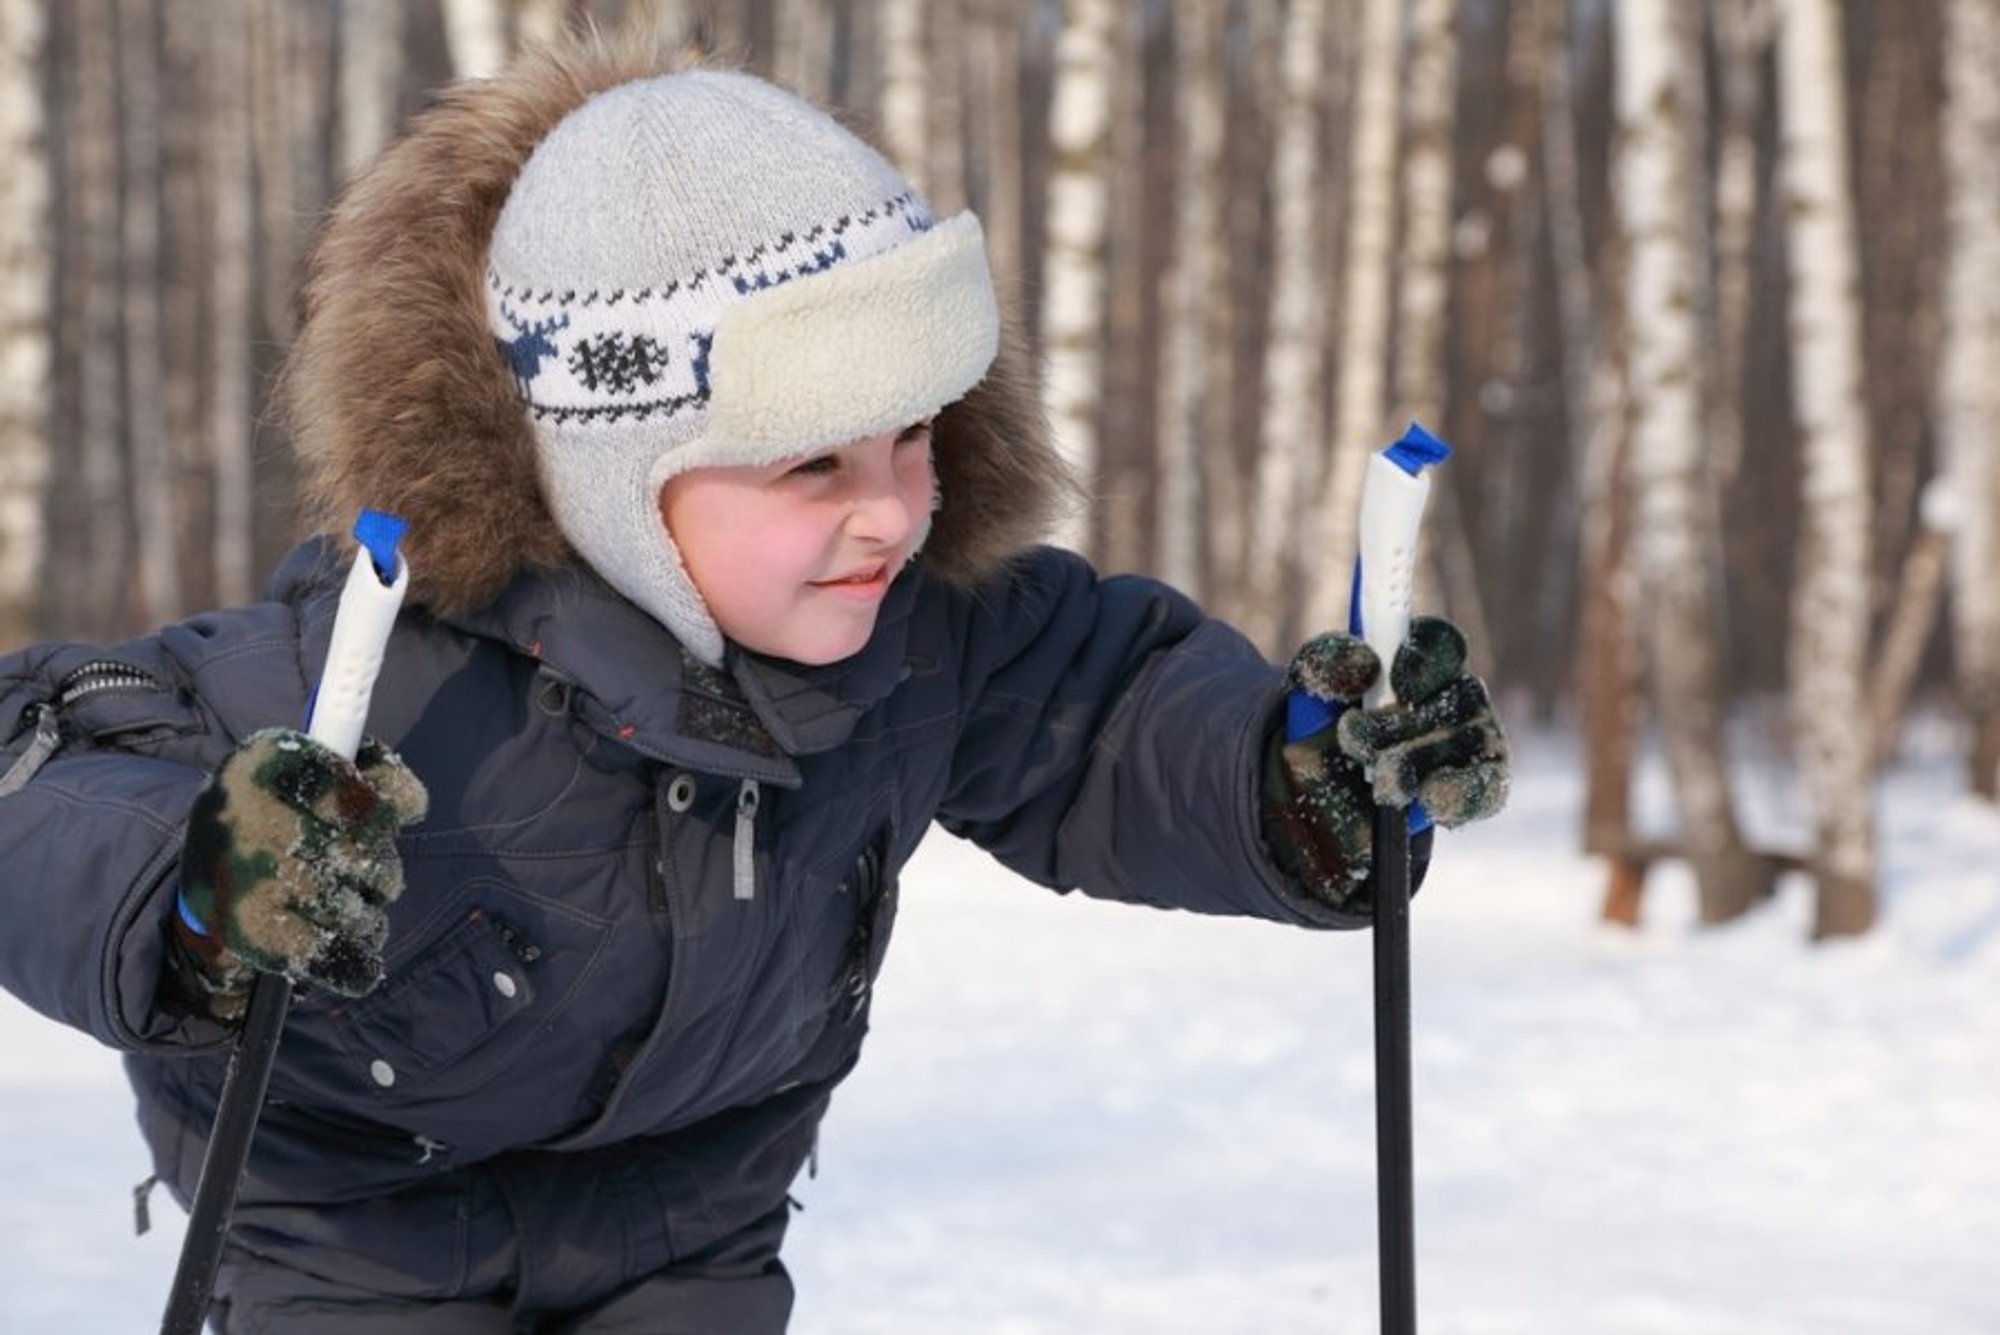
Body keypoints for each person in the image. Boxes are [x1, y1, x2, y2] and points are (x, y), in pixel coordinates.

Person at [0, 32, 1507, 1335]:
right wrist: (202, 895)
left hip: (692, 1218)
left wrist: (1295, 782)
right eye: (815, 464)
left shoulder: (924, 633)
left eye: (917, 436)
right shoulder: (383, 663)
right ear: (613, 473)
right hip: (352, 1231)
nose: (896, 510)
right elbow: (49, 767)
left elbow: (1106, 719)